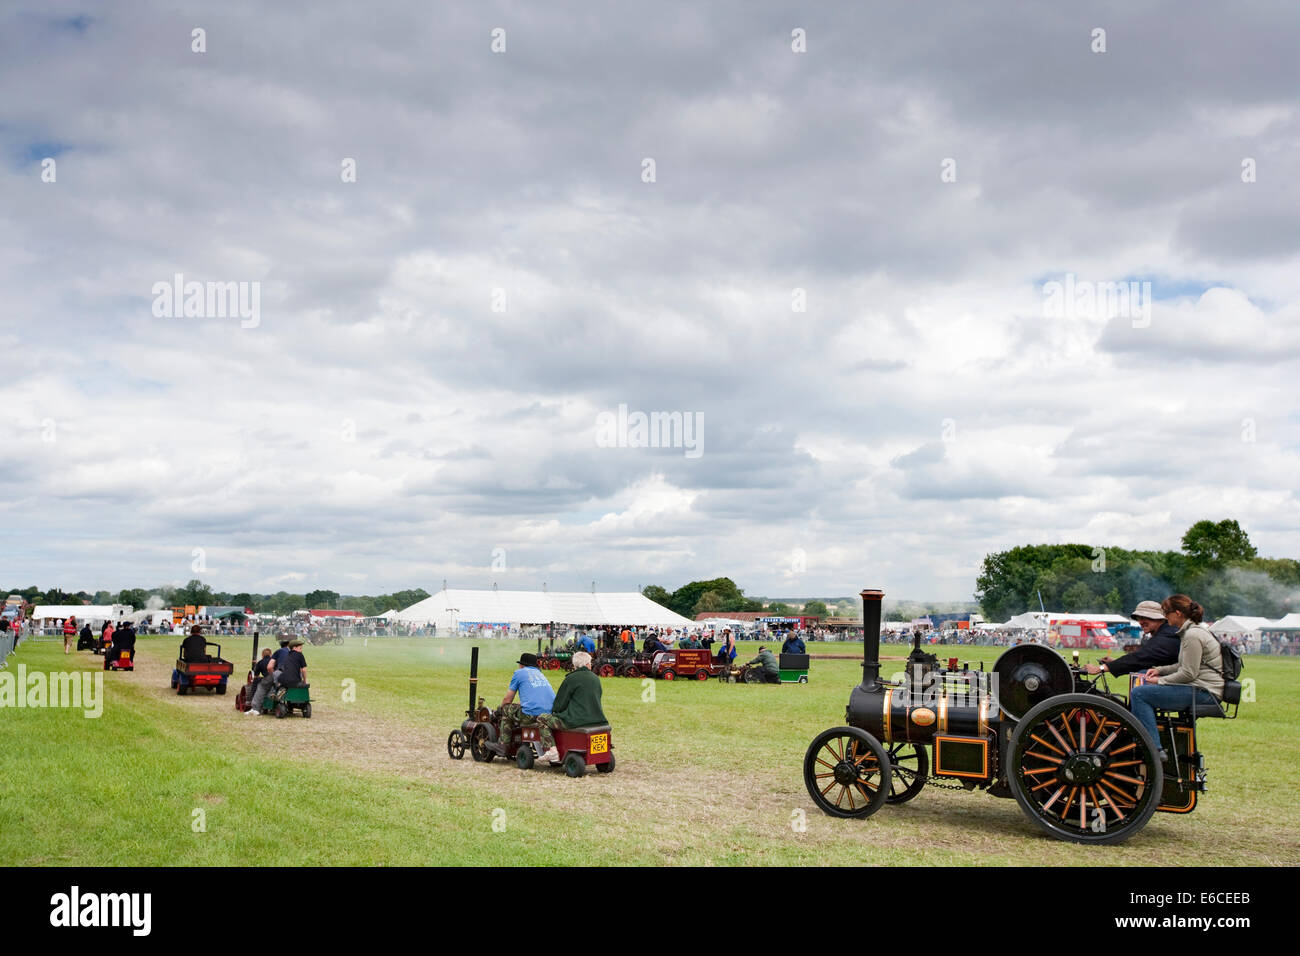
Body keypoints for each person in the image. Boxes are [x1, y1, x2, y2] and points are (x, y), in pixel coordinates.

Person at [1129, 595, 1224, 759]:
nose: (1165, 617)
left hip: (1204, 692)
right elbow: (1182, 665)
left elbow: (1188, 673)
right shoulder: (1193, 632)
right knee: (1144, 678)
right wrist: (1159, 670)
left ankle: (1154, 749)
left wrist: (1160, 681)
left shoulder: (1192, 636)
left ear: (1178, 613)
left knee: (1140, 694)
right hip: (1202, 688)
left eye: (1167, 613)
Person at [534, 650, 608, 756]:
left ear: (575, 665)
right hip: (598, 718)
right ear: (587, 664)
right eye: (590, 663)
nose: (591, 665)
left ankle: (552, 751)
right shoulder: (596, 678)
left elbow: (559, 704)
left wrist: (555, 712)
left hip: (576, 720)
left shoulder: (571, 678)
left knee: (542, 718)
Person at [490, 653, 557, 762]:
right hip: (548, 715)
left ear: (522, 665)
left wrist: (498, 711)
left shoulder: (519, 673)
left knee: (506, 709)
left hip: (531, 715)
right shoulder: (540, 674)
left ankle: (503, 744)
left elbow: (508, 700)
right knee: (516, 708)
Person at [1084, 601, 1180, 677]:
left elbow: (1140, 657)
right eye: (1139, 618)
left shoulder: (1168, 636)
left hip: (1181, 685)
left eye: (1146, 618)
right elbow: (1144, 661)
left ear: (1160, 619)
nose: (1141, 622)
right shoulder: (1164, 633)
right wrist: (1115, 662)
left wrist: (1101, 668)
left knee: (1139, 692)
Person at [246, 648, 276, 714]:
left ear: (262, 655)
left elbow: (256, 676)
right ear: (271, 654)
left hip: (267, 680)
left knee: (257, 682)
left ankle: (252, 697)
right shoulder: (274, 661)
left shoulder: (260, 663)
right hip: (276, 679)